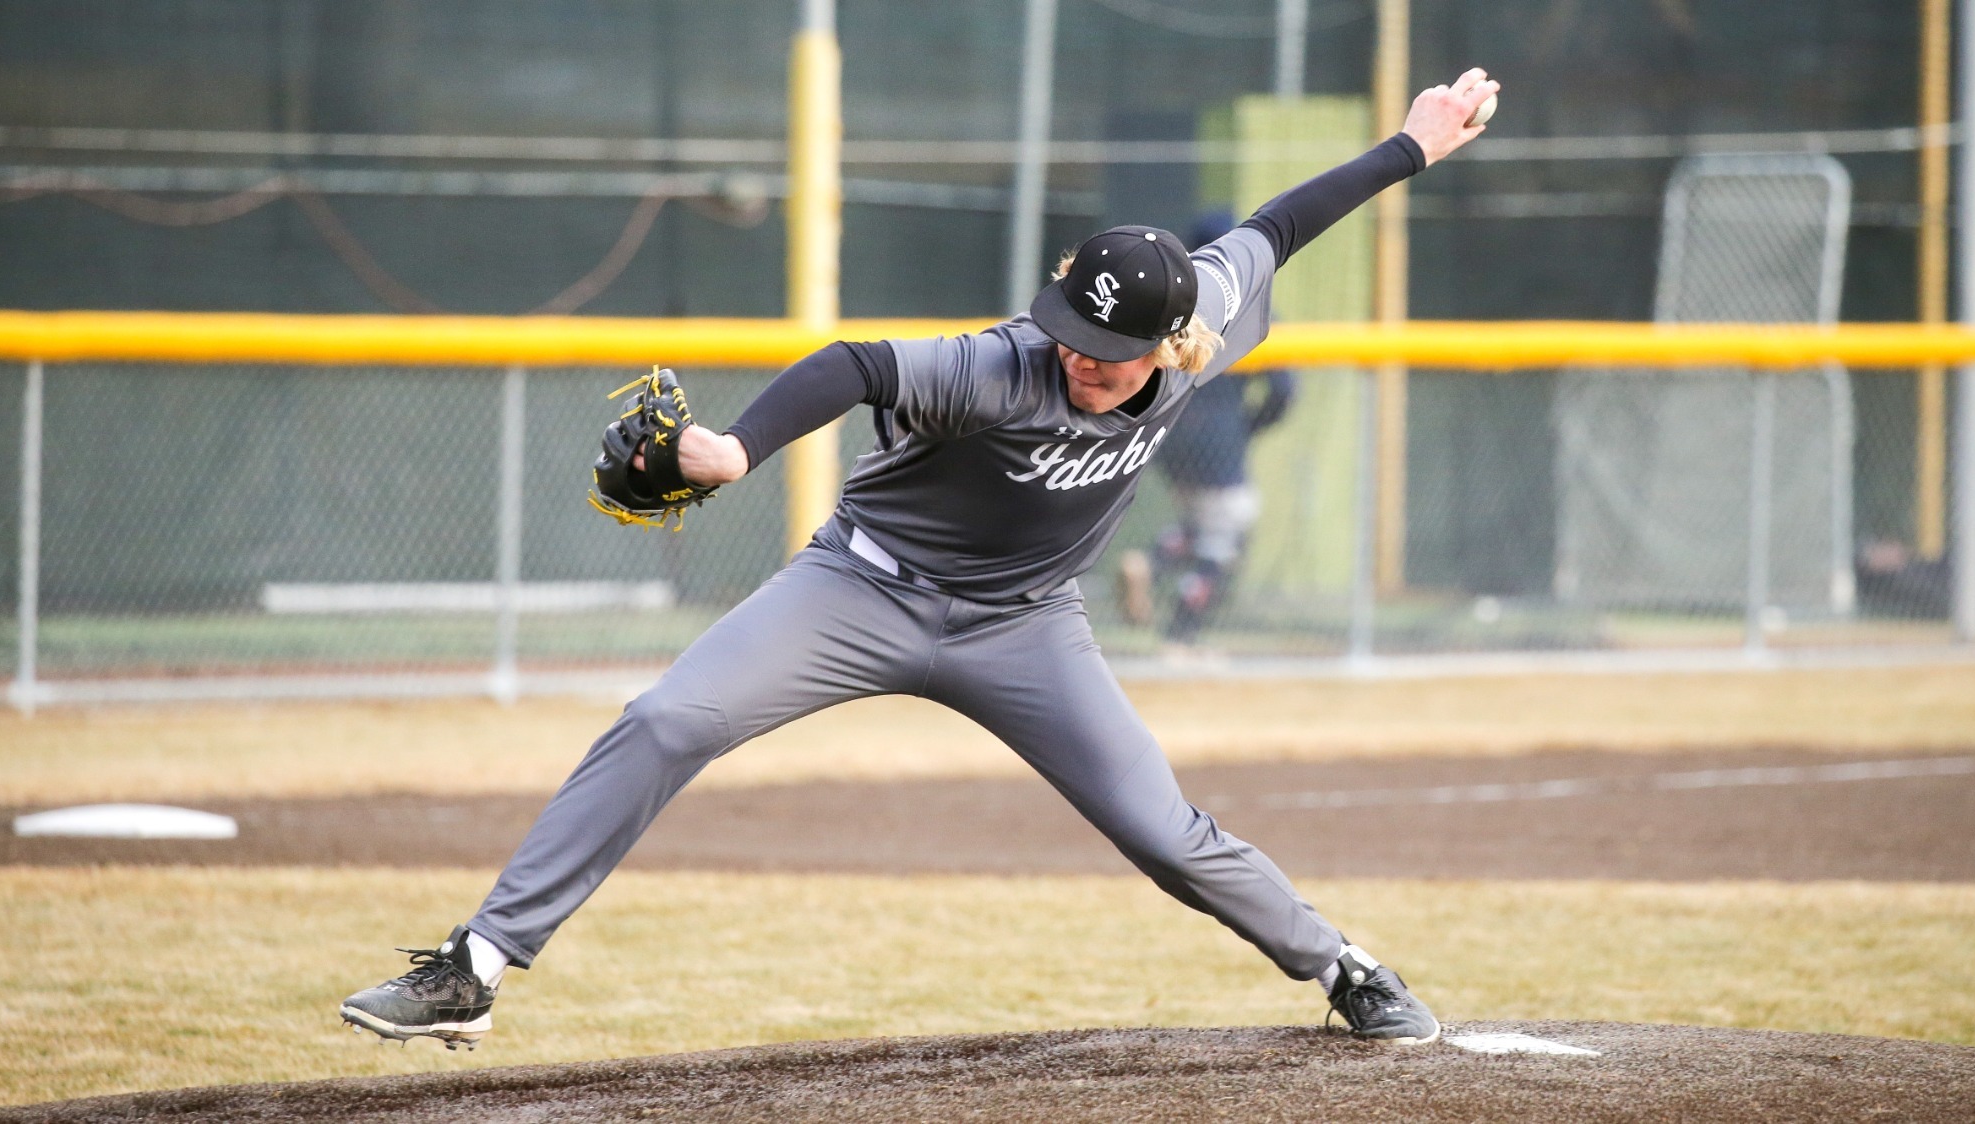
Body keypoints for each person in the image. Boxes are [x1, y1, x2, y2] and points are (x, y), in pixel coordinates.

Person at [339, 68, 1501, 1052]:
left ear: (1168, 342)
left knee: (1163, 833)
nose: (1078, 360)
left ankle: (1340, 963)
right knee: (666, 719)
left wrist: (1414, 142)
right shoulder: (998, 363)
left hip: (1025, 626)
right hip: (861, 587)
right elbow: (852, 363)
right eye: (1071, 331)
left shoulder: (1207, 313)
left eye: (1106, 353)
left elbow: (1286, 221)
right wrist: (736, 450)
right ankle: (475, 965)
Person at [1118, 210, 1297, 649]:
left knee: (1201, 525)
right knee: (1225, 541)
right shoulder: (1253, 302)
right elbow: (1283, 390)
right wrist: (1246, 429)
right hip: (1220, 440)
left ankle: (1152, 561)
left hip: (1169, 435)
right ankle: (1181, 636)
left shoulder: (1172, 297)